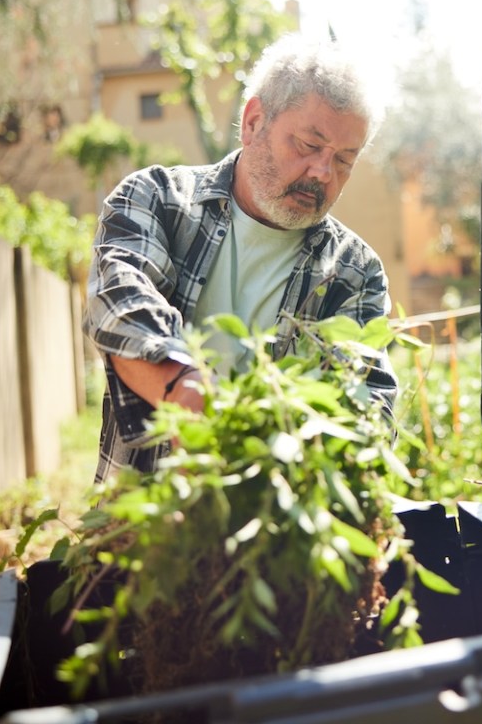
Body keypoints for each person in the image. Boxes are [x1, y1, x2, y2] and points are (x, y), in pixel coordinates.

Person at [83, 34, 396, 482]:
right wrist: (185, 388)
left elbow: (368, 406)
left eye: (345, 159)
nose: (322, 173)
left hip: (279, 518)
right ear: (253, 122)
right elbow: (118, 308)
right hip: (142, 513)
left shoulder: (355, 272)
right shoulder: (155, 199)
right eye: (308, 145)